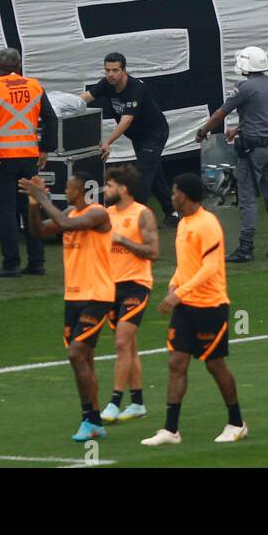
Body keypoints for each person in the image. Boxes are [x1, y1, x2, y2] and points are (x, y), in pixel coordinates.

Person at [143, 174, 248, 447]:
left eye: (175, 192)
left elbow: (210, 267)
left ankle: (237, 422)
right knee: (176, 363)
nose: (171, 196)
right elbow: (186, 263)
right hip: (186, 306)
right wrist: (173, 284)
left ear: (185, 196)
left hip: (210, 306)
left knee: (215, 365)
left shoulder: (207, 224)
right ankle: (170, 429)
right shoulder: (183, 222)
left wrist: (179, 293)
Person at [20, 173, 113, 442]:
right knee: (84, 361)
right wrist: (33, 204)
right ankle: (94, 420)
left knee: (75, 354)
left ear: (82, 191)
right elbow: (39, 232)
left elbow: (62, 222)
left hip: (97, 295)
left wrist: (42, 197)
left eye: (70, 188)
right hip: (73, 297)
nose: (66, 191)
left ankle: (90, 420)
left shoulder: (98, 214)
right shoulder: (71, 211)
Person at [196, 46, 268, 262]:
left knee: (247, 198)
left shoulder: (244, 87)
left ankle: (246, 248)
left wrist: (203, 131)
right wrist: (239, 129)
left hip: (253, 150)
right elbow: (262, 116)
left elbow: (220, 113)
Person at [0, 48, 57, 278]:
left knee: (7, 213)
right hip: (28, 157)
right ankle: (37, 262)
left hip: (1, 159)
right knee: (31, 208)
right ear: (19, 66)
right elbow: (50, 119)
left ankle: (11, 264)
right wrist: (45, 149)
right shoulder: (34, 85)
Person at [81, 52, 173, 224]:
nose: (110, 74)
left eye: (115, 70)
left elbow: (126, 120)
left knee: (141, 174)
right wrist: (64, 108)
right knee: (155, 173)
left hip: (154, 134)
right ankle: (172, 212)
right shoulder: (106, 83)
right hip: (138, 136)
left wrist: (107, 142)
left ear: (124, 71)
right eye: (107, 70)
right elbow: (86, 98)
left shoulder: (136, 88)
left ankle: (133, 219)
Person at [101, 165, 159, 425]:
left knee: (123, 343)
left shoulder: (142, 214)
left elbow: (153, 251)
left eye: (109, 185)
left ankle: (114, 402)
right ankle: (137, 404)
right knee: (130, 347)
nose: (105, 189)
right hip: (111, 286)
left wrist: (122, 240)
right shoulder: (104, 215)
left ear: (123, 189)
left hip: (136, 284)